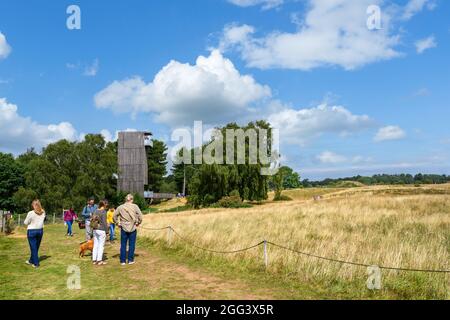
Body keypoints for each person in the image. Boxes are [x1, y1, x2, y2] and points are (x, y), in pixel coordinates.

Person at [114, 194, 143, 265]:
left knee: (123, 244)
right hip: (132, 227)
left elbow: (114, 216)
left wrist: (117, 223)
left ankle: (122, 261)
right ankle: (130, 260)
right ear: (131, 199)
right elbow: (140, 216)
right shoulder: (135, 206)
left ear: (125, 200)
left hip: (123, 227)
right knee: (132, 244)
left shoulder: (120, 207)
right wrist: (138, 222)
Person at [24, 200, 46, 268]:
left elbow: (25, 222)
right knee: (35, 247)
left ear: (34, 205)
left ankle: (36, 263)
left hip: (32, 231)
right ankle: (31, 260)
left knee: (33, 248)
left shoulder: (30, 213)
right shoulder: (43, 212)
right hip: (40, 231)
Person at [91, 201, 109, 266]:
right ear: (104, 205)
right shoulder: (104, 212)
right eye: (106, 205)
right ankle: (99, 260)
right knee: (101, 245)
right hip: (101, 230)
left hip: (95, 229)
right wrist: (107, 231)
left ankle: (94, 260)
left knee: (96, 245)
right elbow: (104, 223)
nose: (106, 206)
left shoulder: (95, 211)